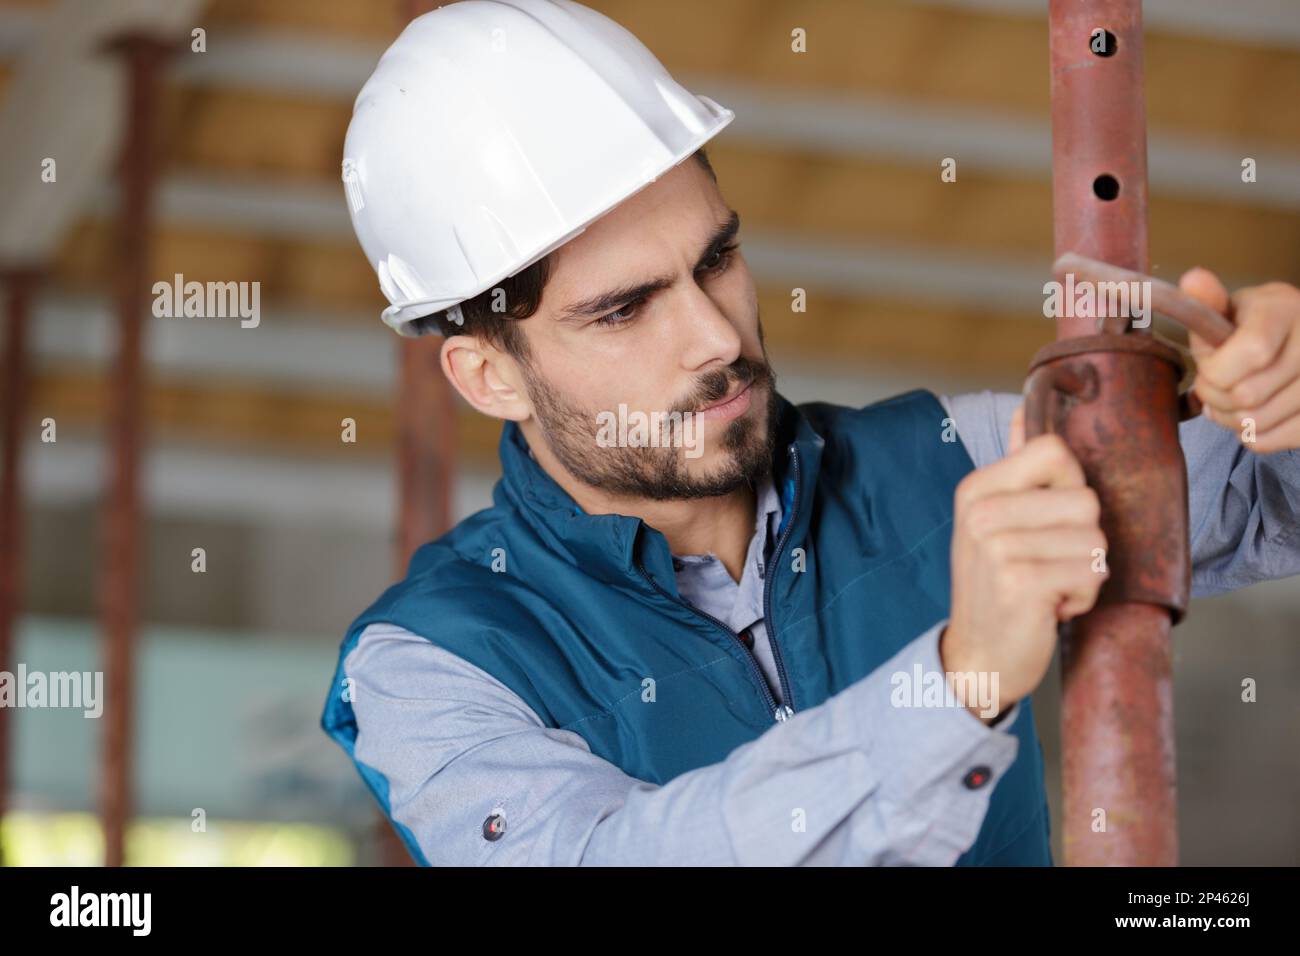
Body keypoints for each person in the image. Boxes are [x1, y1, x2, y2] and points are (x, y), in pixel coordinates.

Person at [321, 0, 1300, 865]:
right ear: (488, 375)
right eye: (623, 310)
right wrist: (955, 681)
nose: (714, 335)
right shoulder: (431, 663)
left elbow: (1262, 505)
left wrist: (1279, 397)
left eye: (717, 258)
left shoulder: (958, 462)